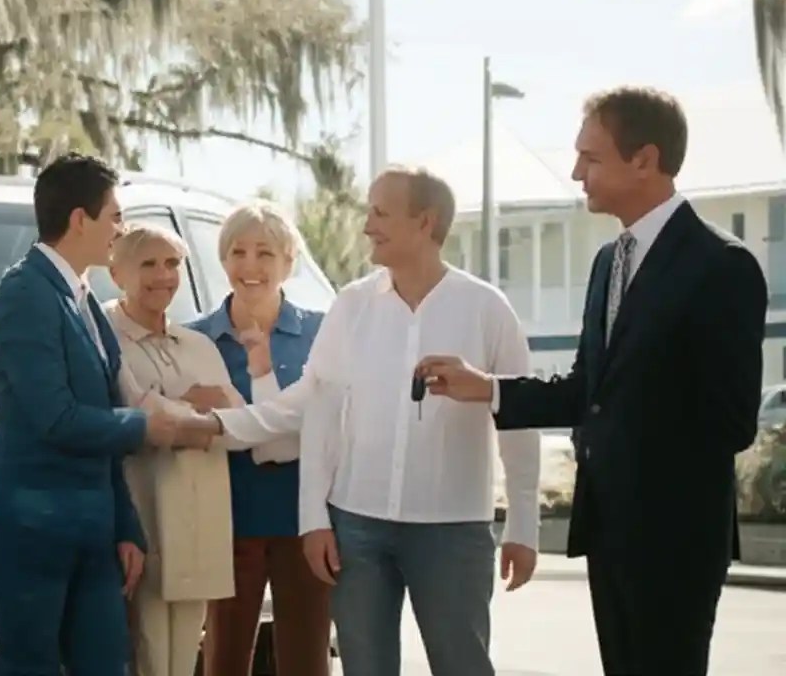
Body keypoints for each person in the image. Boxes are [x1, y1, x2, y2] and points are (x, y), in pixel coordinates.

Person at [418, 86, 768, 676]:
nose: (577, 171)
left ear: (645, 160)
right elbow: (589, 388)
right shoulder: (609, 261)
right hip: (609, 530)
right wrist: (489, 386)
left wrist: (628, 443)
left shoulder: (722, 266)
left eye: (591, 157)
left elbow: (731, 420)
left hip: (675, 537)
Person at [188, 169, 541, 676]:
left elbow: (519, 418)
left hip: (452, 530)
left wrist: (523, 524)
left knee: (462, 665)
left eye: (379, 212)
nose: (367, 225)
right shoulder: (352, 305)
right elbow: (312, 408)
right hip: (356, 529)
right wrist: (312, 519)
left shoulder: (487, 308)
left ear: (425, 221)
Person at [0, 153, 211, 676]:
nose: (120, 230)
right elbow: (54, 418)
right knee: (31, 665)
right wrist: (147, 427)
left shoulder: (80, 297)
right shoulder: (24, 295)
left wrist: (124, 526)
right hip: (32, 521)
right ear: (80, 220)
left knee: (107, 663)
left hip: (91, 524)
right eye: (114, 217)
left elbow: (100, 410)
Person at [182, 202, 333, 676]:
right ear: (222, 261)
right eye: (238, 252)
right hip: (225, 522)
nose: (250, 266)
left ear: (289, 262)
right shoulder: (193, 340)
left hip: (303, 522)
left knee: (306, 659)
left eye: (265, 253)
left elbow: (320, 423)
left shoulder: (323, 332)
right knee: (223, 658)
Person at [102, 222, 246, 676]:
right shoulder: (104, 334)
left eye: (172, 264)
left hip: (197, 521)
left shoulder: (199, 344)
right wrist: (199, 409)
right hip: (142, 515)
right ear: (116, 271)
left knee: (184, 655)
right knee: (145, 650)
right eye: (149, 263)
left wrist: (186, 416)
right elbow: (136, 412)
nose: (163, 275)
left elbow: (241, 424)